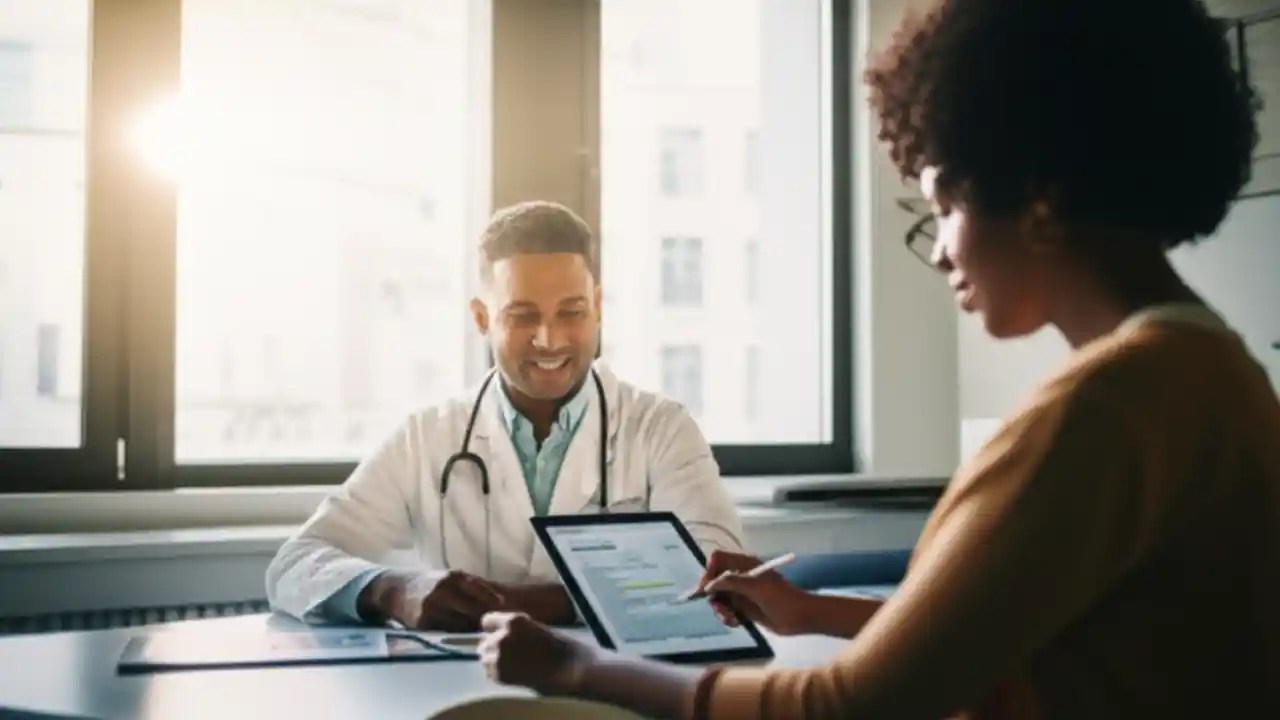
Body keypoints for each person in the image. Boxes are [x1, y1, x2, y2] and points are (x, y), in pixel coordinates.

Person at [477, 0, 1280, 716]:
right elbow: (1012, 637)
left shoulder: (1102, 413)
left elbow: (844, 704)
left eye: (944, 208)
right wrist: (809, 612)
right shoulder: (1217, 376)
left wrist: (576, 668)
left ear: (1038, 201)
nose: (939, 253)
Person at [266, 201, 744, 631]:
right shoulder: (427, 438)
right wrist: (394, 590)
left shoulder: (660, 429)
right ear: (480, 318)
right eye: (521, 316)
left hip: (615, 694)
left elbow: (719, 576)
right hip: (466, 691)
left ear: (598, 307)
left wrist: (519, 605)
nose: (549, 339)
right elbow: (293, 565)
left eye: (571, 312)